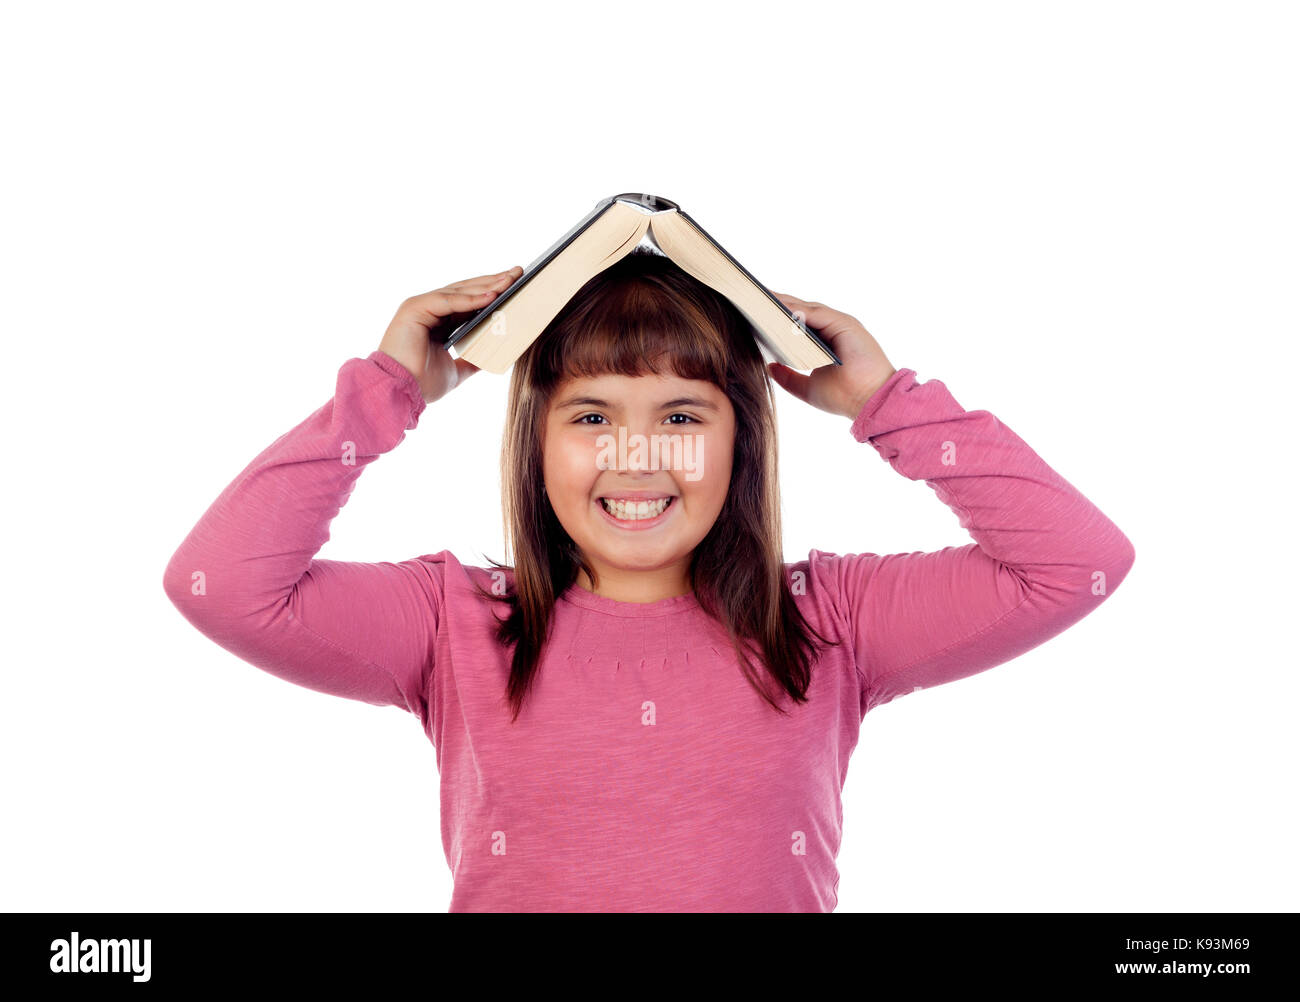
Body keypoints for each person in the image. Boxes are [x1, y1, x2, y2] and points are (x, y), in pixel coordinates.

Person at [163, 247, 1136, 912]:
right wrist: (387, 391)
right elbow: (218, 582)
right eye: (591, 418)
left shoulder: (832, 618)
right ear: (534, 446)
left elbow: (1075, 562)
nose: (636, 457)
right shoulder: (449, 621)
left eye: (680, 417)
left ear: (740, 440)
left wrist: (887, 404)